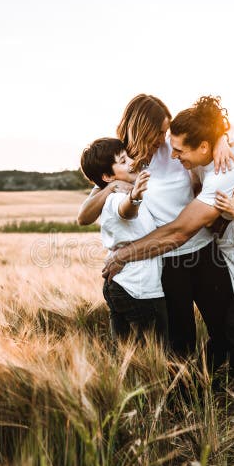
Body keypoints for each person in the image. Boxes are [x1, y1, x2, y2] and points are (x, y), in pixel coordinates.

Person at [102, 96, 234, 401]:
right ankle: (197, 394)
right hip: (201, 252)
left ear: (203, 146)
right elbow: (101, 185)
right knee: (192, 338)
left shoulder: (224, 169)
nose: (171, 152)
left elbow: (180, 231)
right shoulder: (155, 153)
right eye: (165, 139)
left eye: (177, 148)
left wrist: (124, 254)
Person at [77, 94, 234, 361]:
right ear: (143, 128)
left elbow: (211, 124)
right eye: (160, 131)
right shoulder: (122, 160)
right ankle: (185, 401)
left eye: (166, 130)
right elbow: (84, 216)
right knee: (180, 344)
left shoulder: (173, 147)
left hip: (205, 251)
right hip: (167, 261)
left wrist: (221, 139)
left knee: (227, 329)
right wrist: (113, 188)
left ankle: (216, 390)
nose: (164, 137)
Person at [79, 137, 167, 344]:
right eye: (122, 161)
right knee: (154, 350)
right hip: (139, 289)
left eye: (128, 156)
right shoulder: (116, 197)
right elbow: (125, 212)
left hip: (120, 285)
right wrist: (135, 198)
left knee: (124, 353)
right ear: (108, 176)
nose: (130, 162)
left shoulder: (115, 189)